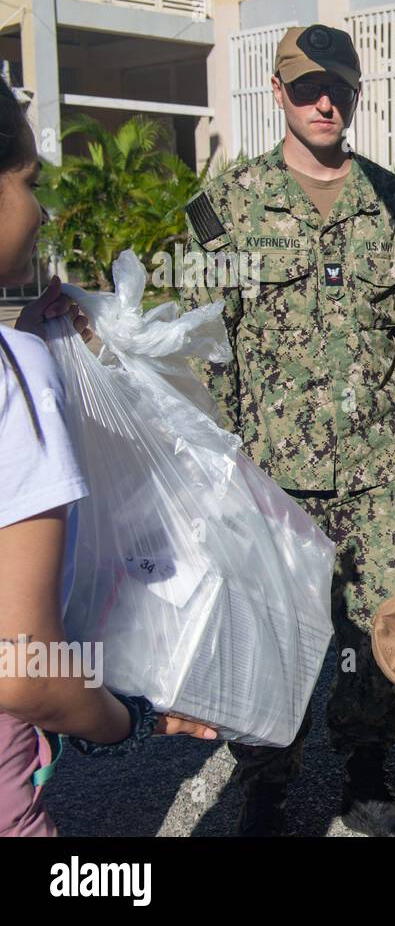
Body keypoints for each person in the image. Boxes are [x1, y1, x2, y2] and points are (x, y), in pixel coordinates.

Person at [176, 25, 395, 837]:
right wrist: (221, 456)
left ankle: (365, 778)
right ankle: (266, 786)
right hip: (270, 475)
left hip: (377, 477)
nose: (325, 101)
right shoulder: (223, 208)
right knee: (271, 639)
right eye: (306, 87)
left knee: (383, 628)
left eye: (340, 88)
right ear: (276, 91)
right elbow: (200, 341)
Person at [0, 77, 215, 837]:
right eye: (29, 182)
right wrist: (115, 719)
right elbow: (21, 667)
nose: (43, 209)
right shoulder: (13, 379)